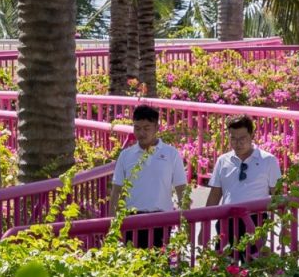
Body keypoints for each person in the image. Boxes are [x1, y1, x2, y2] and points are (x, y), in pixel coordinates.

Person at [112, 103, 186, 248]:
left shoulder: (171, 154)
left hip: (161, 220)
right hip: (131, 220)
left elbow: (181, 189)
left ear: (156, 128)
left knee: (159, 260)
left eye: (146, 128)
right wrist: (112, 223)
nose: (141, 133)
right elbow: (116, 191)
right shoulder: (126, 155)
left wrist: (185, 222)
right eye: (137, 128)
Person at [205, 116, 282, 254]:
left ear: (252, 136)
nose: (238, 143)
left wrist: (285, 227)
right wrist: (204, 228)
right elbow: (215, 195)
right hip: (226, 221)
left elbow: (278, 194)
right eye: (233, 138)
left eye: (242, 138)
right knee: (223, 262)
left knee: (253, 261)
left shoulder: (268, 160)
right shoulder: (223, 160)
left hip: (255, 220)